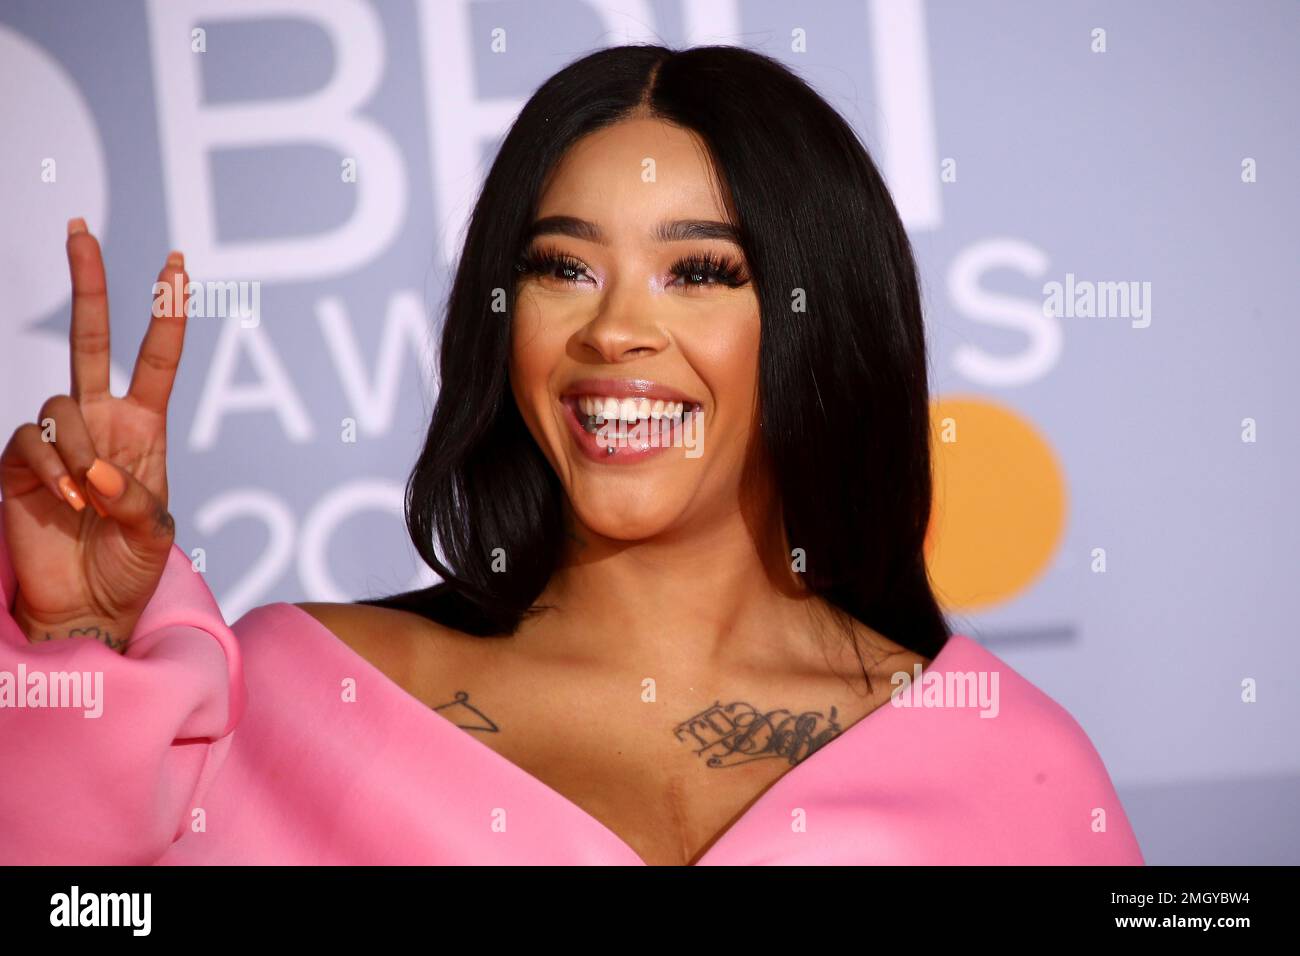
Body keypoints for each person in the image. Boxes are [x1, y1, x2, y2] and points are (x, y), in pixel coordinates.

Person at [0, 44, 1143, 866]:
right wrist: (67, 644)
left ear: (815, 318)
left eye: (698, 271)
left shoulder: (1005, 759)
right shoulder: (297, 698)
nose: (612, 332)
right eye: (563, 266)